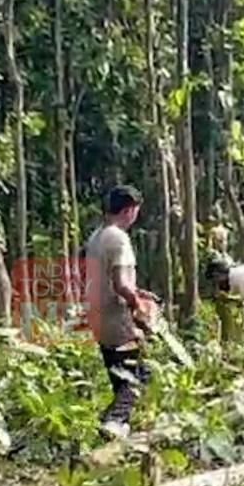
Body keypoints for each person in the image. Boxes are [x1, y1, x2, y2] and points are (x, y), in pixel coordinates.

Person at [84, 185, 155, 436]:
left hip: (98, 315)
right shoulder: (119, 238)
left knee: (122, 376)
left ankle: (113, 422)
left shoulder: (96, 237)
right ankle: (113, 422)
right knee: (136, 377)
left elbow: (106, 279)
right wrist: (141, 311)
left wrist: (138, 292)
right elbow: (121, 284)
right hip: (117, 319)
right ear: (129, 210)